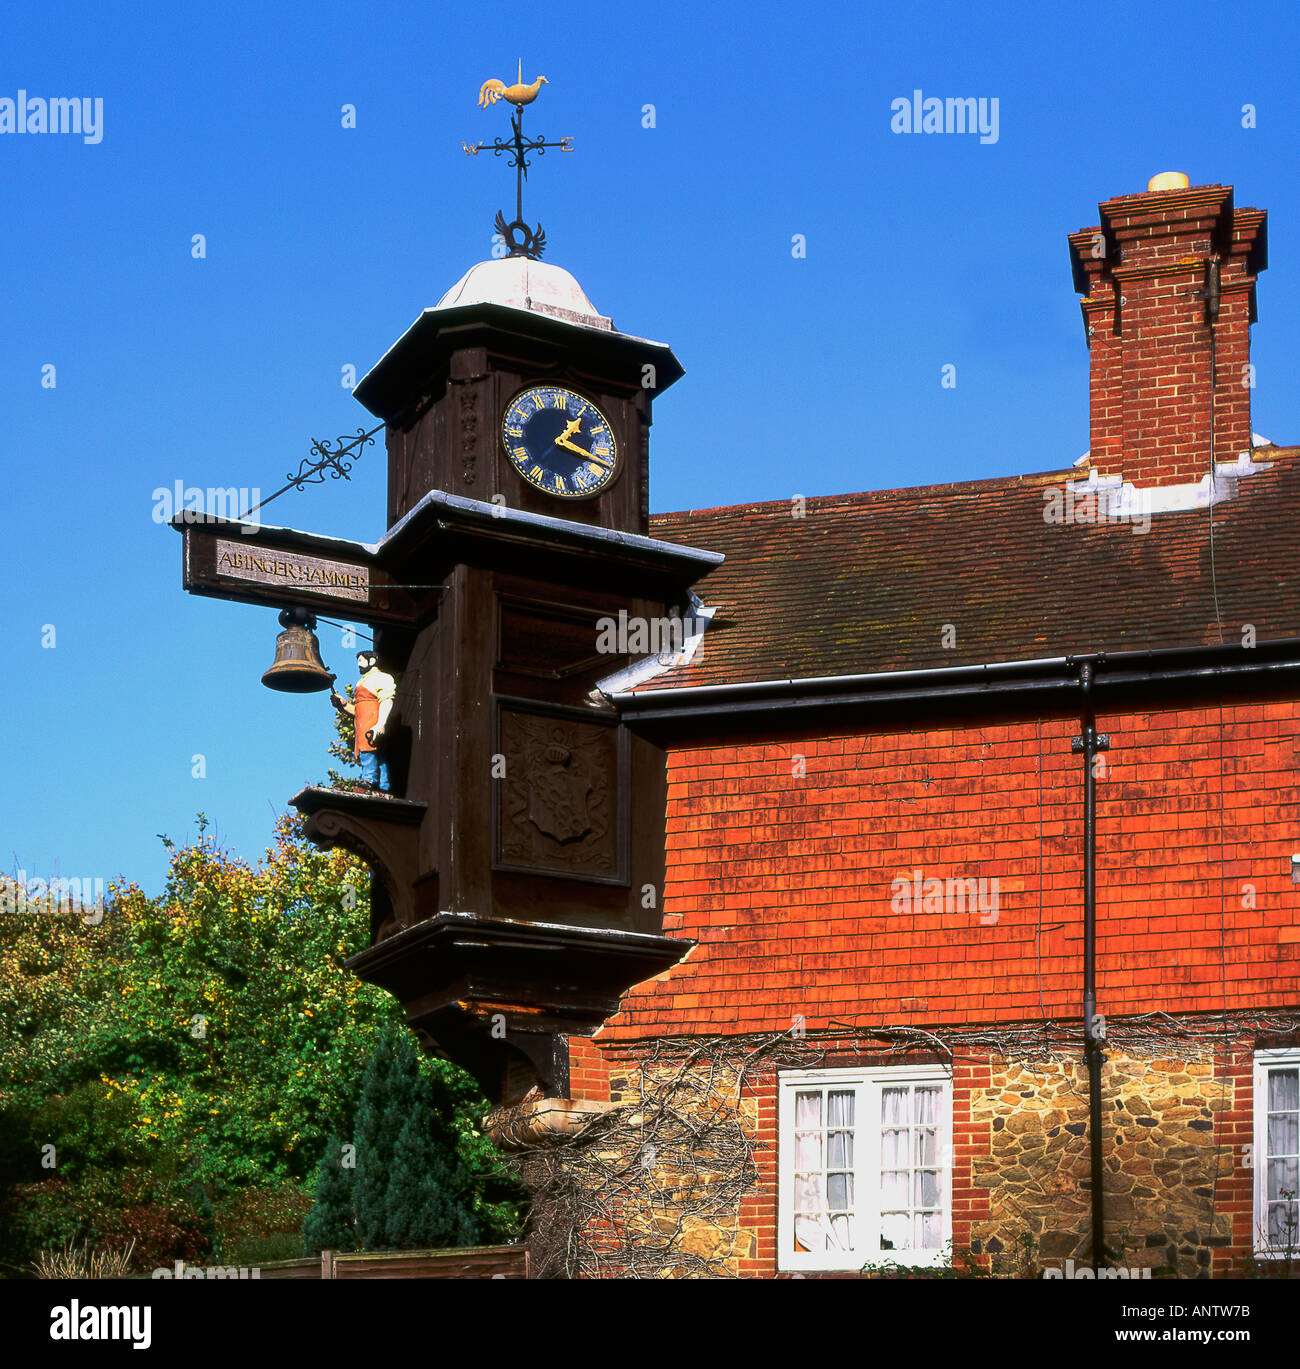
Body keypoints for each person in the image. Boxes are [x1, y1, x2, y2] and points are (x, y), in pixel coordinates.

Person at [330, 650, 396, 792]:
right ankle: (382, 786)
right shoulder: (364, 680)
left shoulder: (382, 678)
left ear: (371, 661)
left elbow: (386, 701)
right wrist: (343, 705)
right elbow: (357, 710)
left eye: (361, 661)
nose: (358, 665)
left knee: (370, 751)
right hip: (362, 722)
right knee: (376, 754)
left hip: (372, 721)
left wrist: (380, 723)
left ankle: (370, 779)